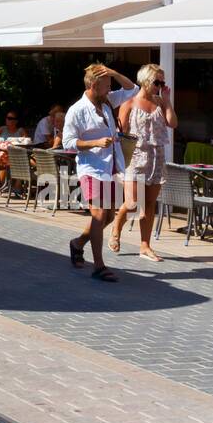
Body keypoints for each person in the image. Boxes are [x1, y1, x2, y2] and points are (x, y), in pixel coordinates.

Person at [64, 64, 139, 282]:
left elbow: (132, 89)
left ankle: (77, 244)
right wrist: (95, 142)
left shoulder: (105, 102)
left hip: (111, 166)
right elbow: (69, 142)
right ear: (94, 86)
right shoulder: (77, 110)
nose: (110, 90)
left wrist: (113, 73)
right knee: (98, 215)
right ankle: (98, 265)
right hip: (91, 168)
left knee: (107, 216)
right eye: (107, 86)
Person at [109, 64, 177, 263]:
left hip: (157, 158)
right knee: (132, 203)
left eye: (163, 82)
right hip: (136, 158)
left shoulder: (160, 102)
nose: (160, 86)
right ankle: (116, 228)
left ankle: (145, 245)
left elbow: (173, 123)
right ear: (146, 81)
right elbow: (121, 135)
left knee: (149, 205)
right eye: (157, 82)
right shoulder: (129, 103)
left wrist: (168, 101)